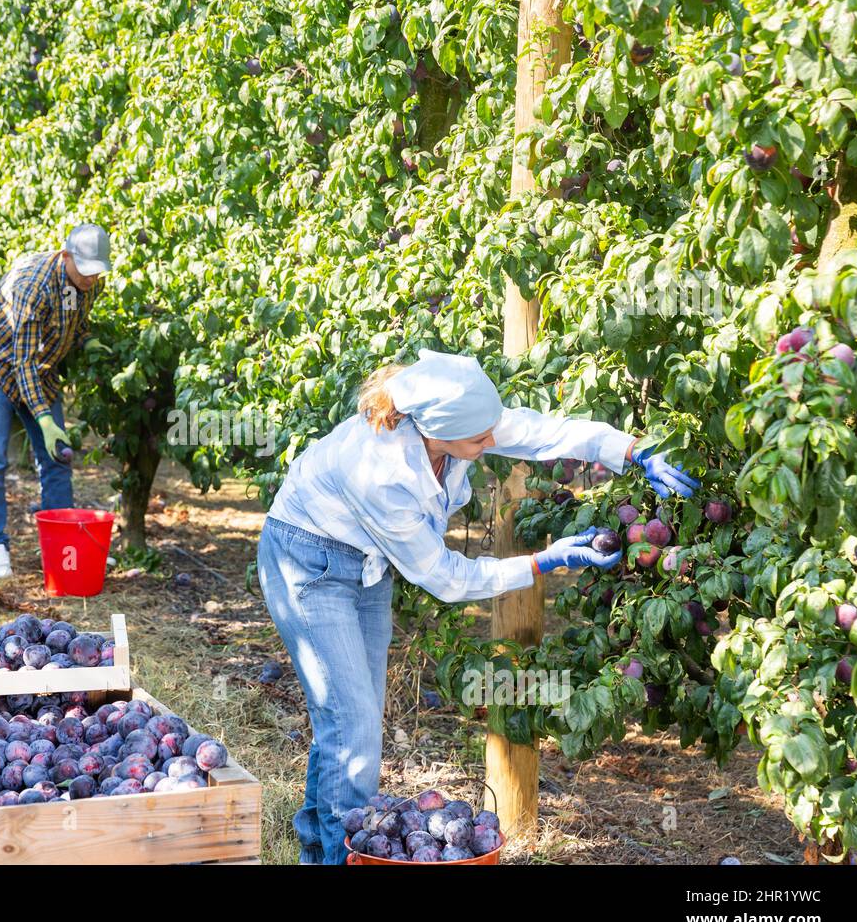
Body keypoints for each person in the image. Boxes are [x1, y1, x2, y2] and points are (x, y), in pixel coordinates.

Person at [257, 349, 699, 864]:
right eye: (479, 440)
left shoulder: (458, 417)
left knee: (350, 717)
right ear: (436, 432)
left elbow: (541, 432)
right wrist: (541, 563)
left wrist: (631, 450)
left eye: (490, 431)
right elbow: (445, 577)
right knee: (353, 728)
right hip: (308, 564)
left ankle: (318, 844)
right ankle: (340, 858)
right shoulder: (378, 471)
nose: (491, 443)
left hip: (364, 562)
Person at [0, 223, 113, 581]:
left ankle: (63, 548)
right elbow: (23, 363)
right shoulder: (32, 286)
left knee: (57, 457)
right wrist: (45, 419)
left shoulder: (89, 281)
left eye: (98, 270)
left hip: (40, 367)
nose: (92, 277)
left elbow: (74, 324)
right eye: (86, 269)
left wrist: (86, 341)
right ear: (65, 257)